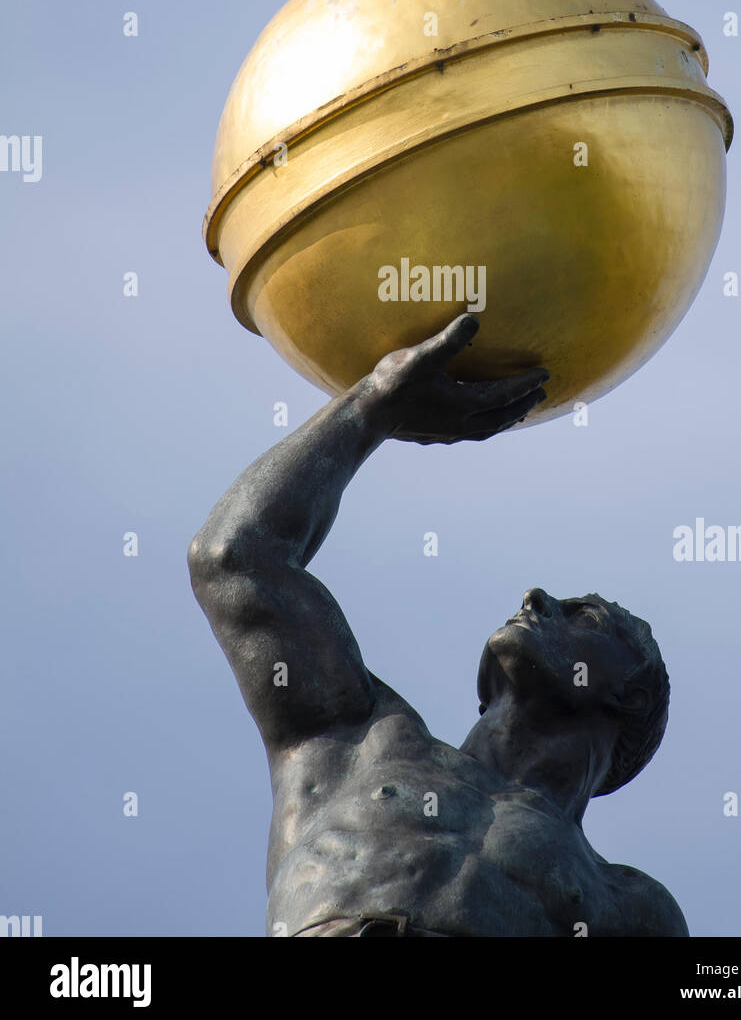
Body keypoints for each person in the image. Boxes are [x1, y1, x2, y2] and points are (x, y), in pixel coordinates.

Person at [188, 313, 687, 937]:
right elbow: (235, 558)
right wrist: (374, 405)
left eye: (583, 615)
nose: (536, 598)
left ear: (630, 691)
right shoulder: (358, 738)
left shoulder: (629, 906)